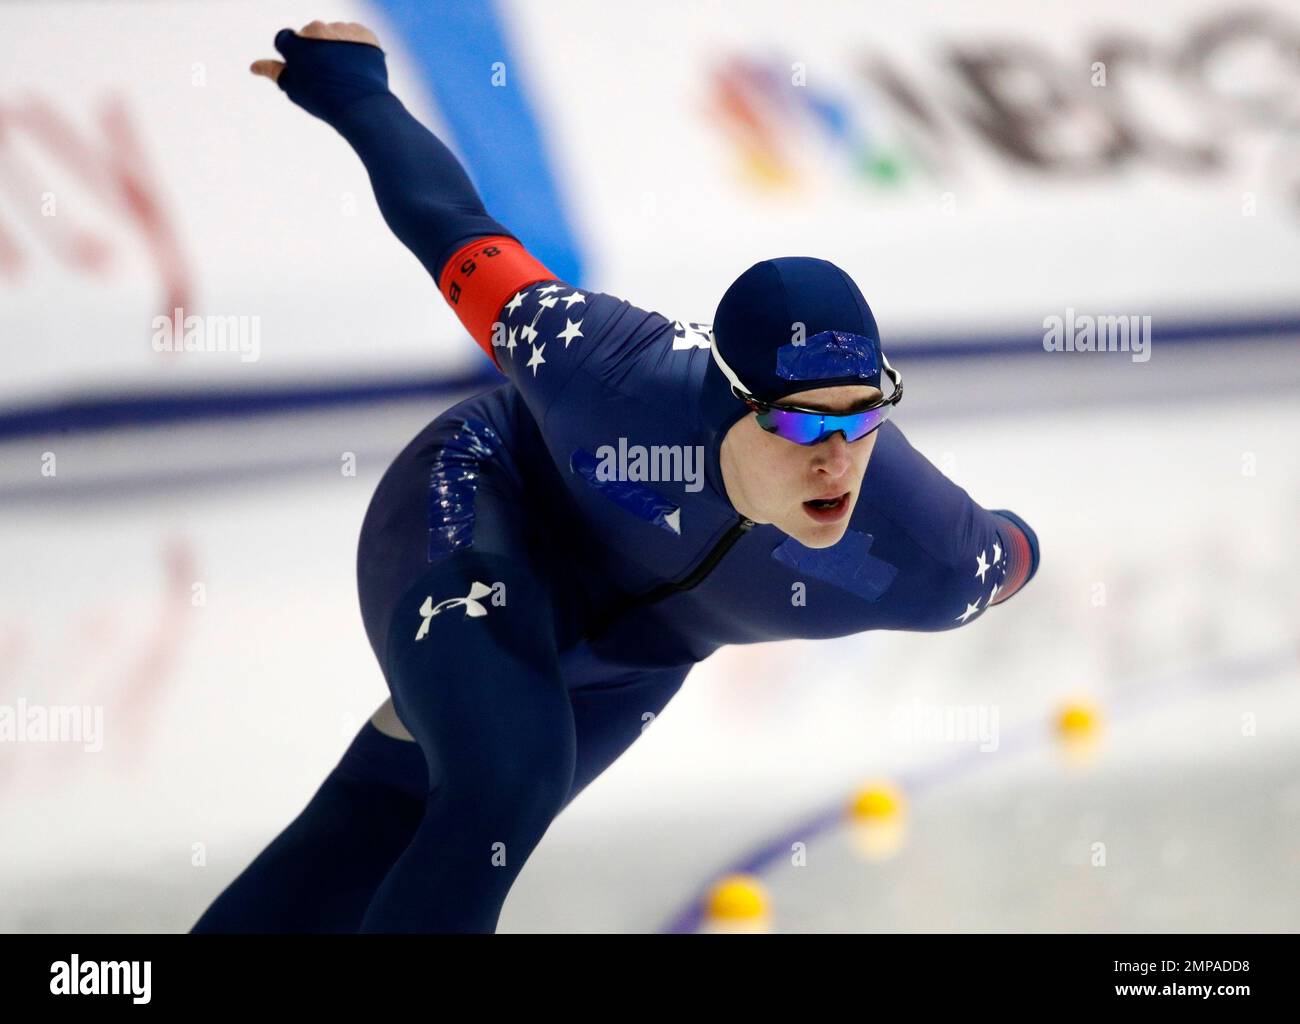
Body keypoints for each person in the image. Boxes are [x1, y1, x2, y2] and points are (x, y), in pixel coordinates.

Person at [191, 21, 1040, 934]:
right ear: (729, 398)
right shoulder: (605, 365)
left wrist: (998, 545)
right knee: (507, 779)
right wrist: (355, 92)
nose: (836, 454)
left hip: (638, 658)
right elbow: (453, 227)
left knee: (380, 829)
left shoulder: (933, 558)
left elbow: (1014, 549)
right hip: (484, 500)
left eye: (863, 414)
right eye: (799, 419)